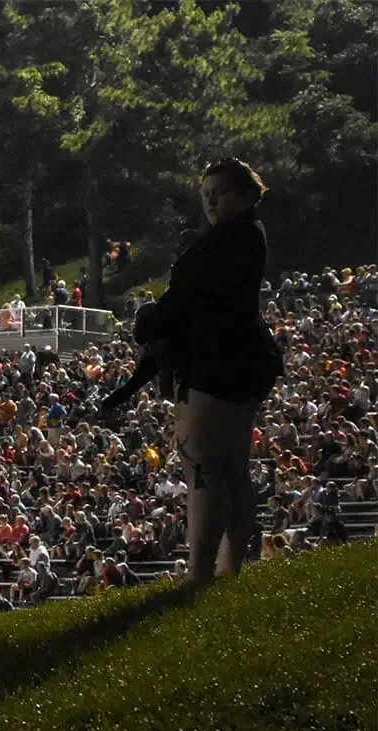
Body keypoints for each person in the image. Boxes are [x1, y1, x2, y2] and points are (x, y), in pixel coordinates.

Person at [121, 158, 284, 587]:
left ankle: (200, 575)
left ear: (249, 193)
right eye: (206, 193)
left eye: (222, 191)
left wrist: (151, 319)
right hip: (239, 357)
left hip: (217, 363)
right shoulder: (244, 236)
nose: (212, 200)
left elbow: (189, 302)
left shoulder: (229, 242)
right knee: (231, 468)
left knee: (205, 467)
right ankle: (228, 569)